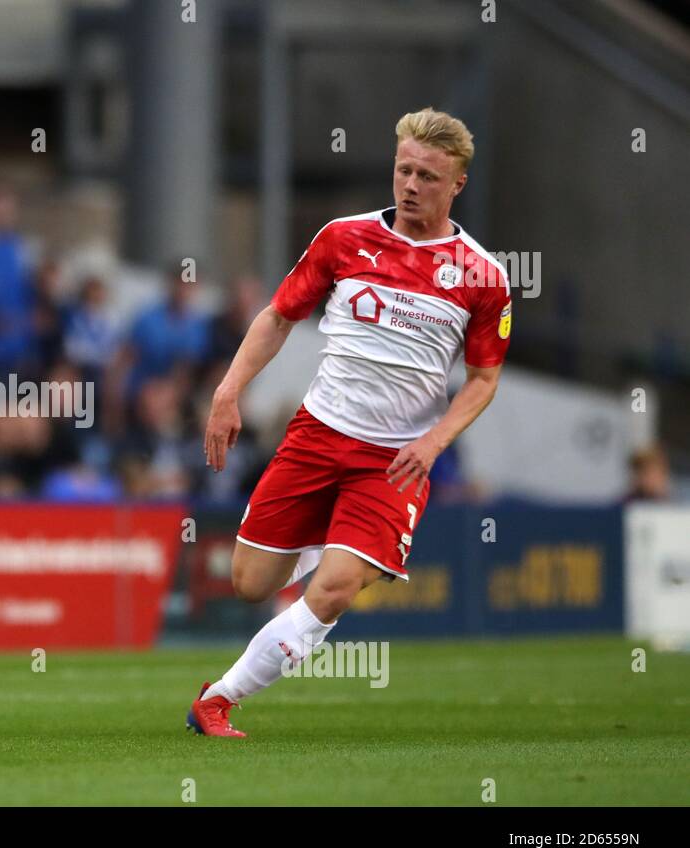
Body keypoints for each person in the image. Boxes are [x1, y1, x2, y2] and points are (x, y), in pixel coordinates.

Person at [189, 108, 511, 737]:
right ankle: (329, 547)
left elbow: (483, 380)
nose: (411, 185)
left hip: (394, 460)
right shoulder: (343, 238)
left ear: (458, 185)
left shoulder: (482, 276)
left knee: (334, 590)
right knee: (251, 583)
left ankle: (218, 701)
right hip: (317, 435)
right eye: (403, 170)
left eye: (427, 176)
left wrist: (436, 440)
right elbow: (278, 317)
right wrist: (229, 391)